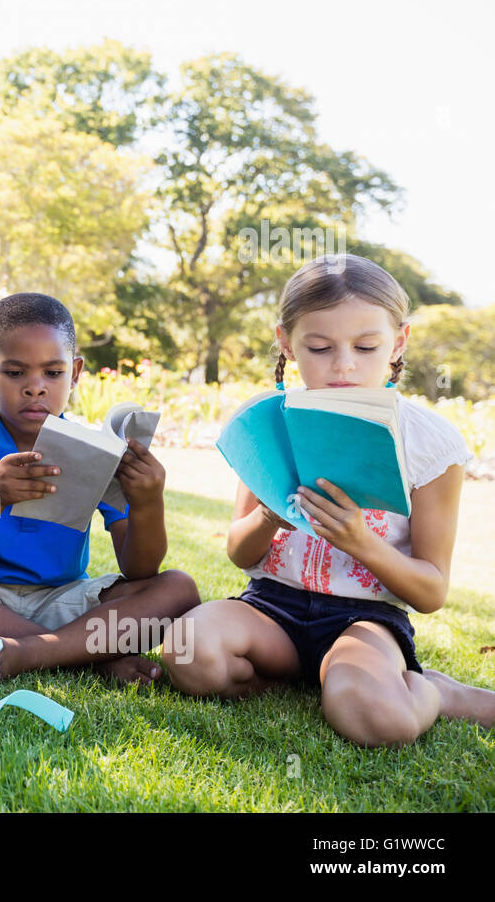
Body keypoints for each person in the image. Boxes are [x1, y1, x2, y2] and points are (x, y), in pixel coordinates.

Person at [161, 254, 495, 746]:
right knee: (187, 652)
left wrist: (361, 542)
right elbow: (239, 551)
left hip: (365, 620)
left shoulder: (431, 446)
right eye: (319, 347)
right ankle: (302, 679)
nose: (343, 364)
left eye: (366, 346)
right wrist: (268, 519)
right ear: (286, 343)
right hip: (271, 609)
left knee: (378, 722)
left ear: (398, 342)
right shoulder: (267, 423)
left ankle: (434, 693)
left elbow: (431, 592)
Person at [0, 292, 199, 683]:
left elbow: (139, 569)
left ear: (76, 372)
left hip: (65, 601)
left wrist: (148, 503)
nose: (35, 388)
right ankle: (81, 655)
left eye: (52, 373)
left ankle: (33, 651)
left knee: (179, 589)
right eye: (15, 374)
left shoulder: (94, 451)